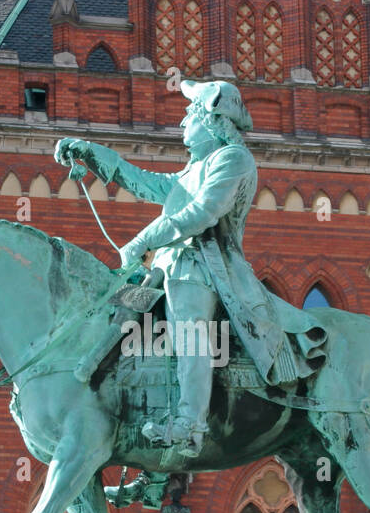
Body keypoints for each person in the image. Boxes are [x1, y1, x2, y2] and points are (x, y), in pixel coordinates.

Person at [54, 80, 326, 457]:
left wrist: (142, 241)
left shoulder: (233, 159)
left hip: (201, 269)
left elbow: (200, 214)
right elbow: (147, 184)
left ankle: (190, 426)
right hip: (164, 270)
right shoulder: (195, 169)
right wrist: (92, 153)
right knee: (118, 313)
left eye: (189, 113)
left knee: (190, 334)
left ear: (211, 119)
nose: (182, 121)